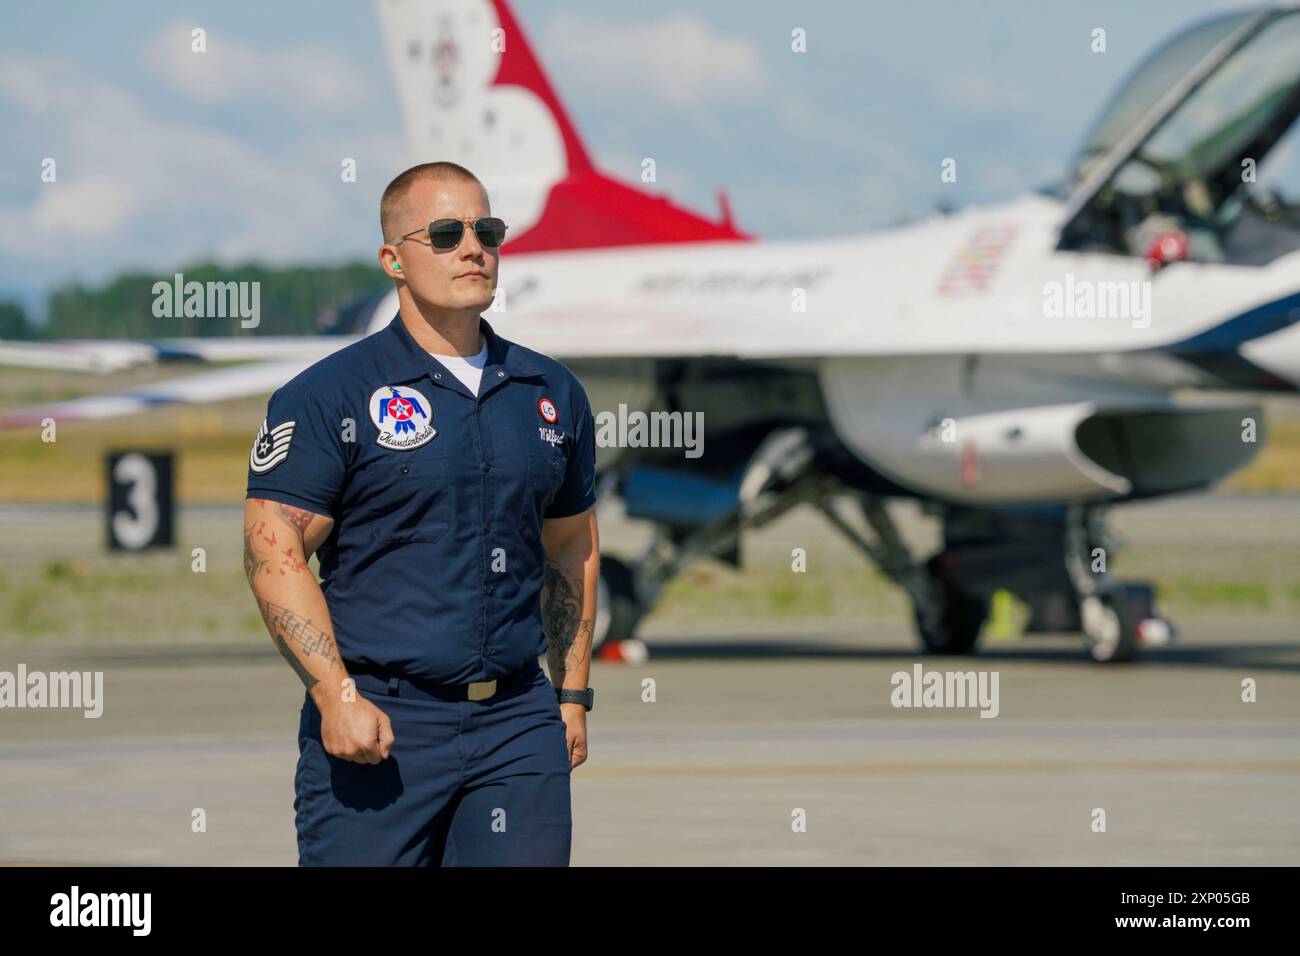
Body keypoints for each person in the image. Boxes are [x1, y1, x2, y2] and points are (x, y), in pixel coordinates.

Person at [242, 160, 599, 866]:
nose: (474, 248)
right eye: (445, 233)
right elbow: (272, 548)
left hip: (517, 722)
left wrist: (573, 692)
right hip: (382, 720)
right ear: (393, 260)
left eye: (486, 230)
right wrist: (335, 694)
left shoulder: (549, 391)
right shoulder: (331, 394)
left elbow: (571, 548)